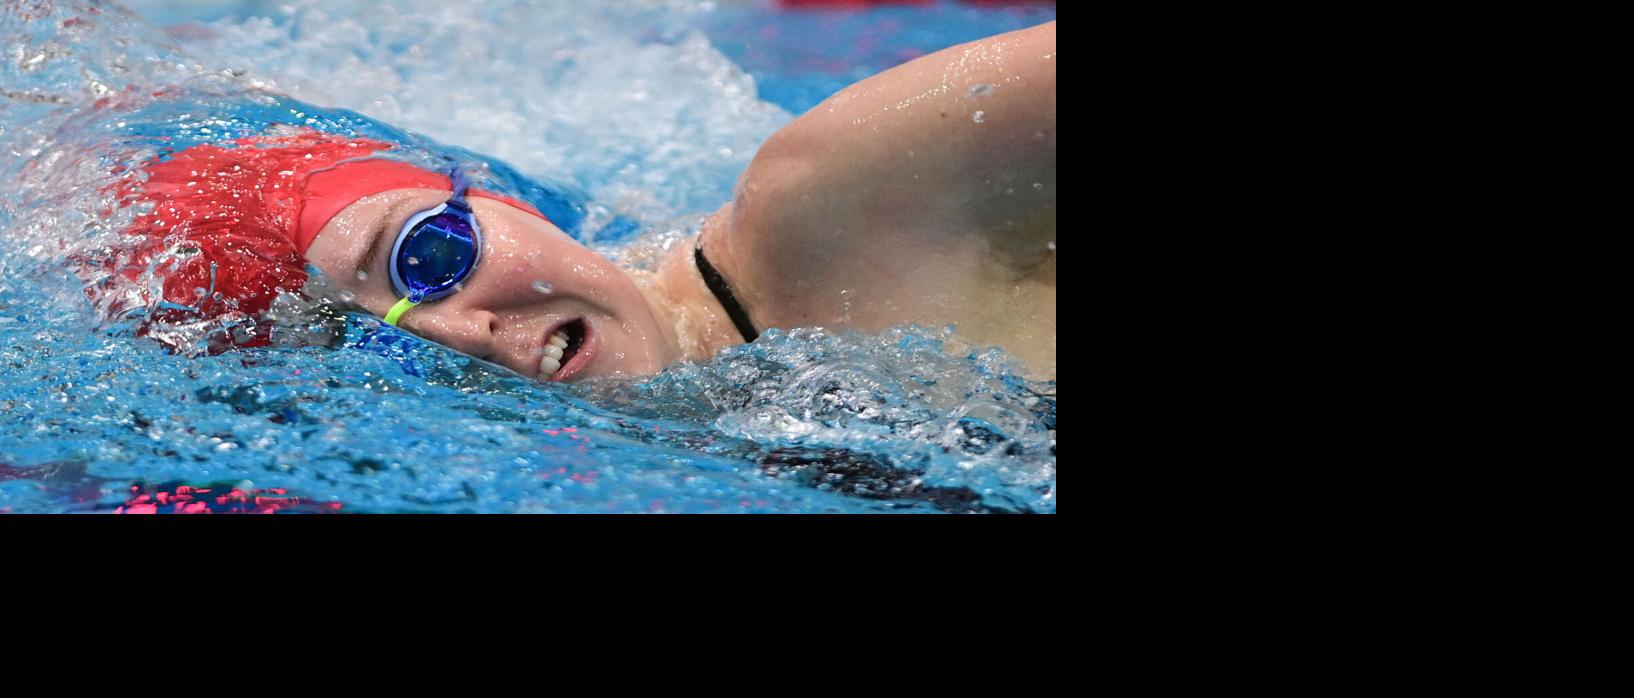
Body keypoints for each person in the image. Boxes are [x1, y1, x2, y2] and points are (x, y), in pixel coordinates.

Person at [105, 22, 1056, 380]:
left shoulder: (843, 192)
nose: (454, 333)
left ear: (501, 204)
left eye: (423, 258)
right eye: (371, 345)